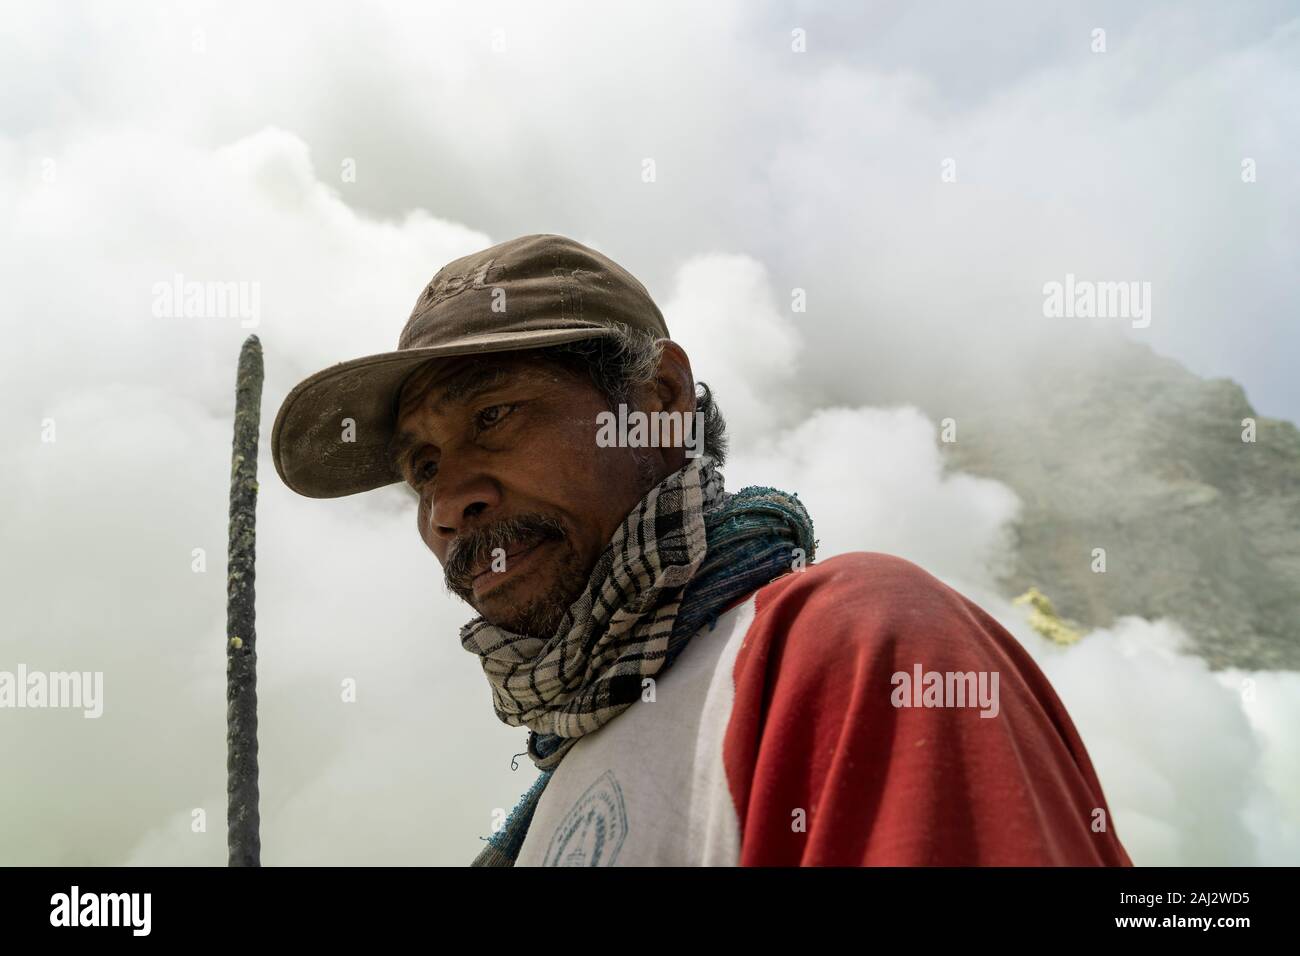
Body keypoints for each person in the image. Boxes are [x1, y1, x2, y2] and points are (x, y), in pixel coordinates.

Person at [272, 233, 1134, 867]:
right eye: (423, 466)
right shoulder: (542, 811)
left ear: (658, 398)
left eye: (493, 417)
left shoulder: (849, 642)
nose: (450, 500)